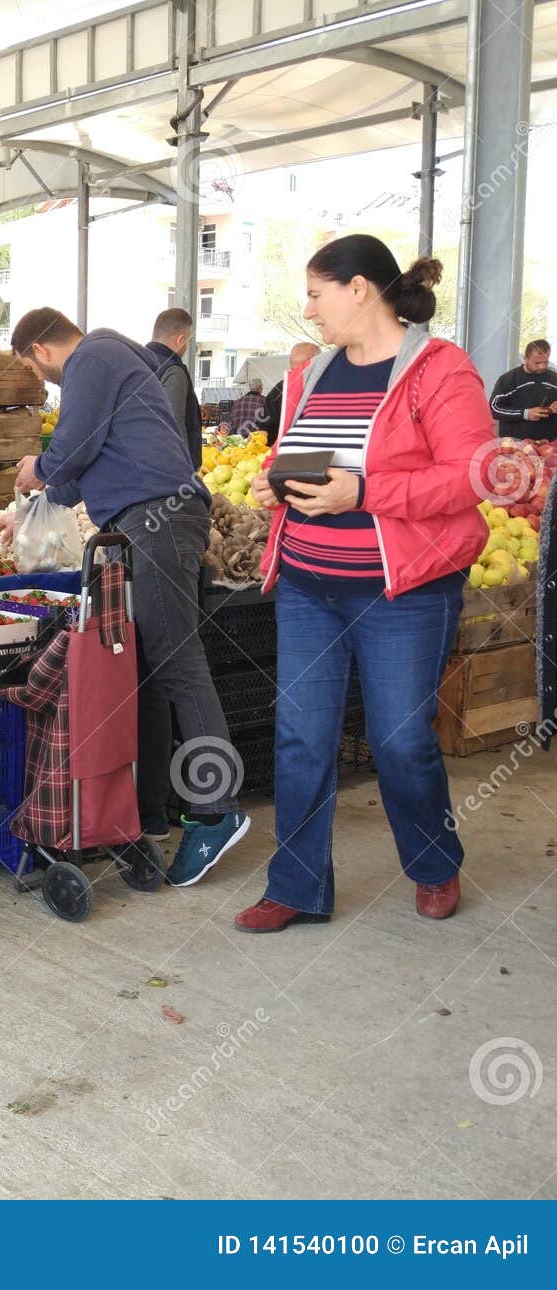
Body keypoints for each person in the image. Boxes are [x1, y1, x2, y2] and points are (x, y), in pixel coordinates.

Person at [239, 234, 492, 933]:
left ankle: (435, 861)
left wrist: (365, 491)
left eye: (317, 293)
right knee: (300, 739)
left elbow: (471, 473)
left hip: (402, 593)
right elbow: (305, 460)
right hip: (306, 586)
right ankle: (296, 886)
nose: (310, 310)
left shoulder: (439, 370)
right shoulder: (312, 374)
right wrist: (278, 485)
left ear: (359, 290)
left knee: (400, 740)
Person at [10, 307, 251, 883]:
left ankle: (216, 812)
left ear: (40, 350)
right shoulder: (113, 361)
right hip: (147, 523)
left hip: (157, 522)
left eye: (31, 368)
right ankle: (150, 813)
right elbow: (77, 471)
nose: (41, 381)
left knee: (179, 664)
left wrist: (36, 468)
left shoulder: (92, 357)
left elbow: (65, 454)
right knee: (146, 667)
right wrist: (34, 497)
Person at [147, 308, 202, 469]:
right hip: (167, 471)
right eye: (188, 341)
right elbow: (173, 424)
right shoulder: (173, 370)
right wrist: (182, 472)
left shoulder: (135, 361)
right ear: (180, 339)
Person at [488, 339, 557, 437]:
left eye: (545, 362)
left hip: (548, 444)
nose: (542, 366)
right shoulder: (509, 379)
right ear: (526, 358)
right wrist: (525, 414)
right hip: (514, 444)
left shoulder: (554, 378)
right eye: (537, 363)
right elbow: (493, 409)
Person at [259, 341, 320, 444]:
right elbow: (265, 426)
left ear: (319, 364)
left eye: (303, 370)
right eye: (293, 369)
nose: (297, 376)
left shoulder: (330, 386)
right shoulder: (280, 390)